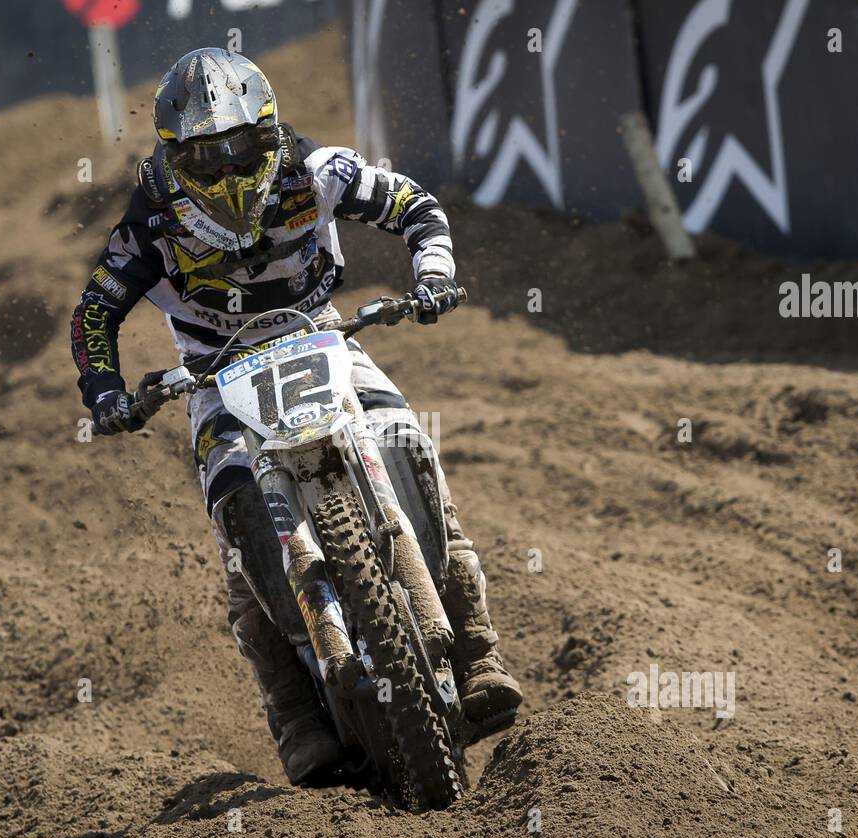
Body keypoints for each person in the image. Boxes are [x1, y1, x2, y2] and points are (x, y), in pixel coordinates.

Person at [70, 48, 521, 784]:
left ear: (269, 133)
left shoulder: (317, 171)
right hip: (216, 374)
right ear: (173, 156)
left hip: (321, 336)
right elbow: (94, 311)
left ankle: (477, 646)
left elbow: (414, 206)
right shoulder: (150, 220)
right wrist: (107, 393)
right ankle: (295, 715)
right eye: (204, 158)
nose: (224, 170)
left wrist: (434, 274)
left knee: (412, 446)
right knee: (234, 526)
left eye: (239, 148)